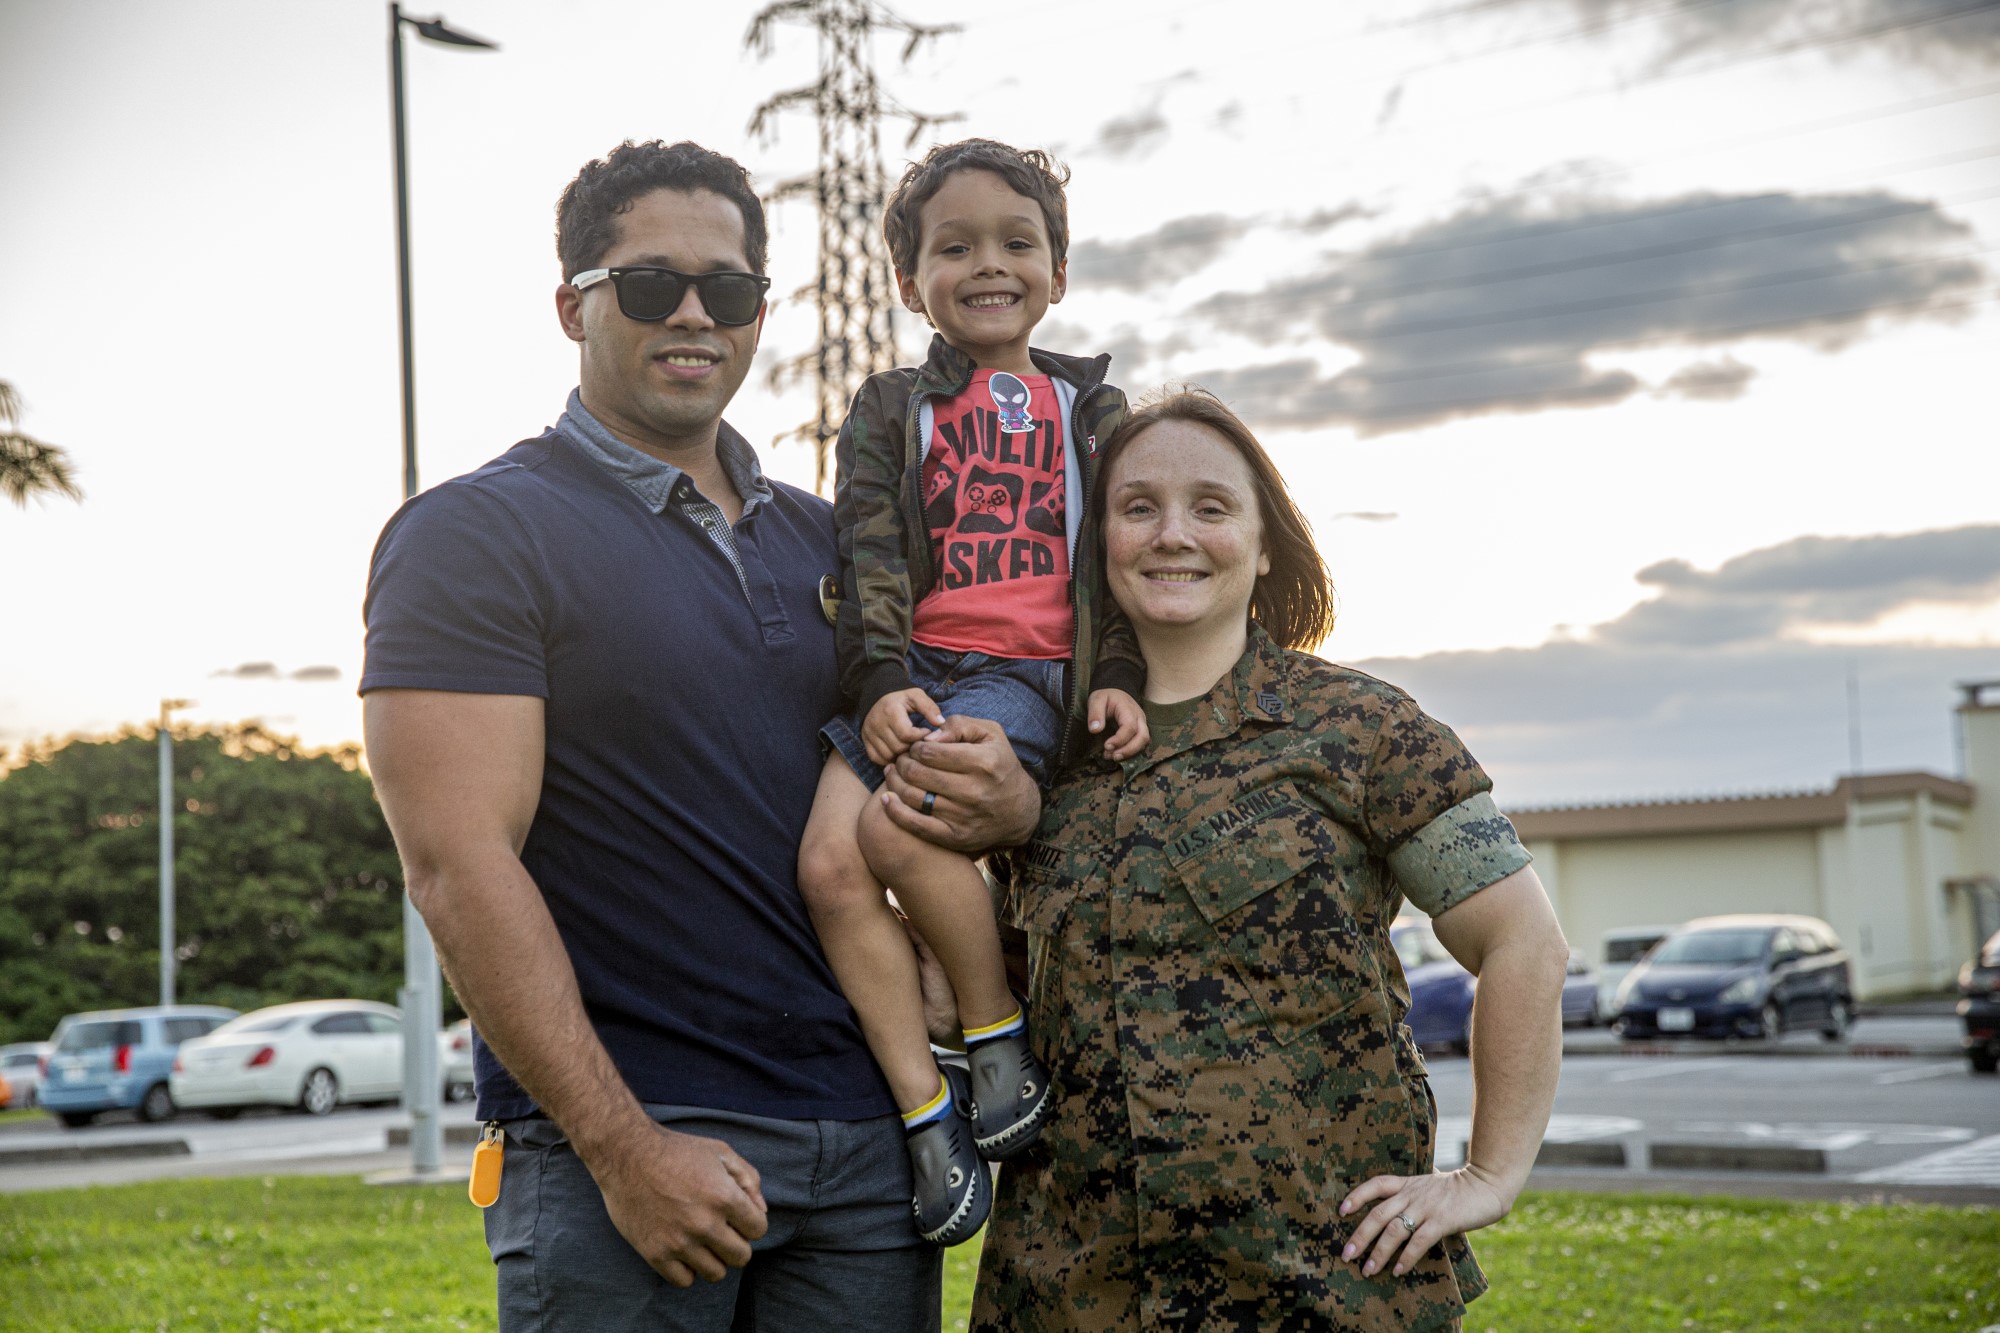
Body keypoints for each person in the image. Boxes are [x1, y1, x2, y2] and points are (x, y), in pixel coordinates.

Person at [360, 139, 1039, 1333]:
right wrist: (622, 1146)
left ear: (758, 313)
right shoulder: (474, 535)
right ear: (571, 304)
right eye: (647, 283)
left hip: (873, 1153)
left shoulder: (836, 540)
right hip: (634, 1147)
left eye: (724, 291)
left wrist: (990, 844)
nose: (691, 314)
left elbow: (937, 768)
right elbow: (457, 866)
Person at [970, 390, 1570, 1332]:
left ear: (1263, 546)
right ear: (1097, 546)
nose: (1173, 534)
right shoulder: (1037, 759)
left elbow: (1523, 941)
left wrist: (1489, 1176)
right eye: (1138, 507)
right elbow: (982, 984)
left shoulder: (1362, 730)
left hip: (1325, 1292)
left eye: (1211, 507)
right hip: (1068, 1300)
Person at [796, 139, 1148, 1246]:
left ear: (1057, 269)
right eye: (954, 247)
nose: (987, 264)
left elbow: (1116, 570)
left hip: (1019, 679)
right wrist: (882, 681)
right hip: (914, 672)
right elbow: (866, 554)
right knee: (825, 863)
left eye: (1015, 241)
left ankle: (992, 1032)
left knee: (900, 836)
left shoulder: (1090, 411)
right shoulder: (893, 406)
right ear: (909, 283)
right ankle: (927, 1106)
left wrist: (1124, 680)